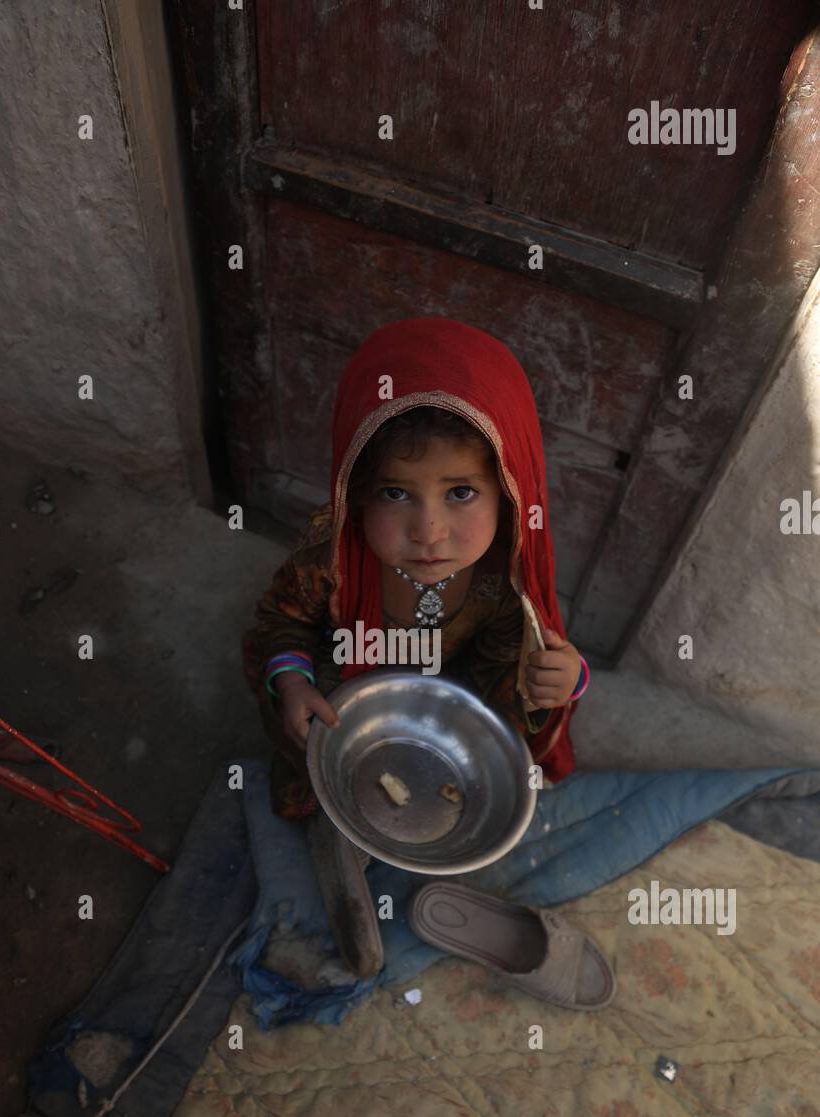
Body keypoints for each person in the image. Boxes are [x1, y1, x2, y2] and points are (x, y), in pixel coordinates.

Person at [243, 316, 590, 822]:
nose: (428, 531)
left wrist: (562, 681)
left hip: (442, 698)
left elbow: (504, 673)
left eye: (461, 493)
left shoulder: (503, 580)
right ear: (357, 491)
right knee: (310, 767)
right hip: (341, 686)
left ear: (509, 492)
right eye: (395, 493)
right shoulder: (329, 552)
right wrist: (293, 683)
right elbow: (283, 620)